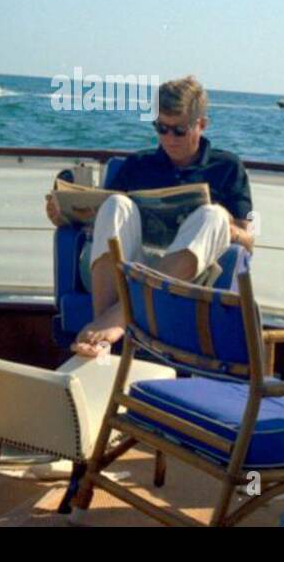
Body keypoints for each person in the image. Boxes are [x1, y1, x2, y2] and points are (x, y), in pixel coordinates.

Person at [44, 76, 257, 358]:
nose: (169, 139)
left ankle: (116, 318)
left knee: (214, 216)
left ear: (201, 124)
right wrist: (60, 216)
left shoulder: (228, 167)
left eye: (179, 130)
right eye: (161, 128)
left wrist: (224, 225)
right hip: (133, 263)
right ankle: (103, 341)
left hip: (189, 271)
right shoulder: (138, 164)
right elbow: (103, 222)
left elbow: (248, 240)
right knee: (116, 203)